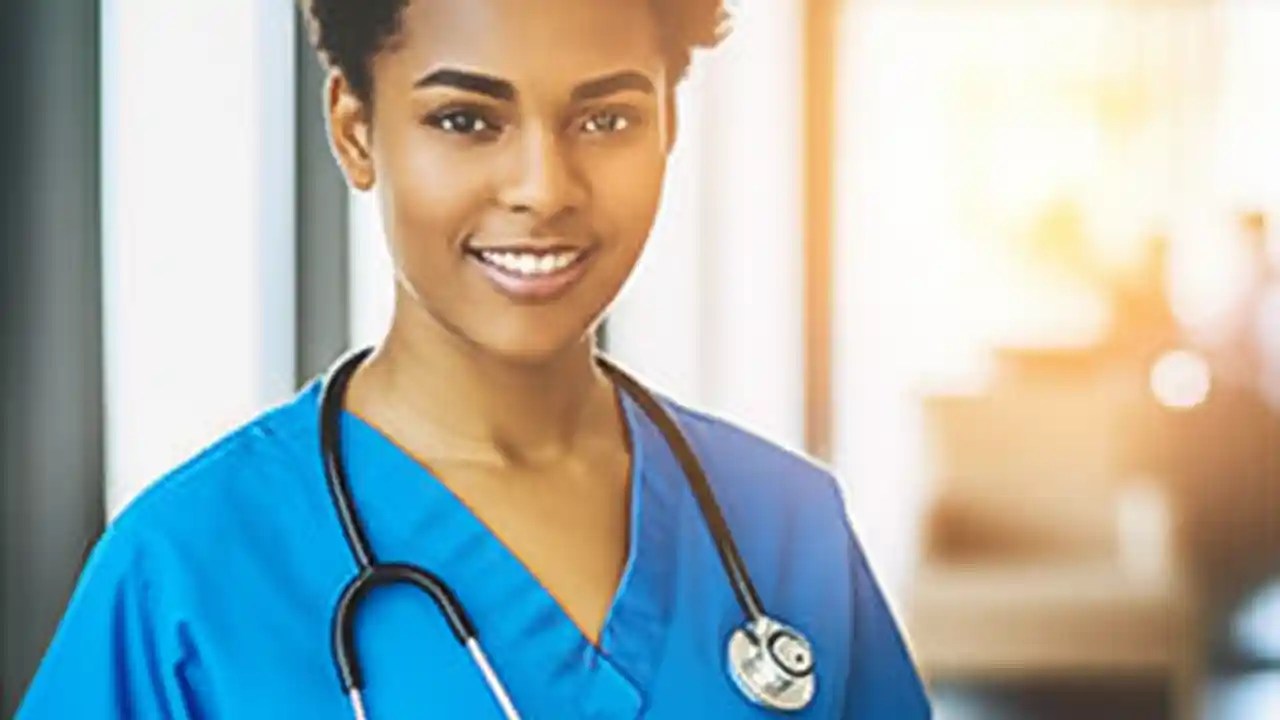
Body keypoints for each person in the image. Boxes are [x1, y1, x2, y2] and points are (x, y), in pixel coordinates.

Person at [18, 1, 930, 717]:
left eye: (606, 119)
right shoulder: (186, 571)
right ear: (355, 130)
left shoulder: (786, 530)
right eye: (465, 120)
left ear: (668, 125)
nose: (544, 188)